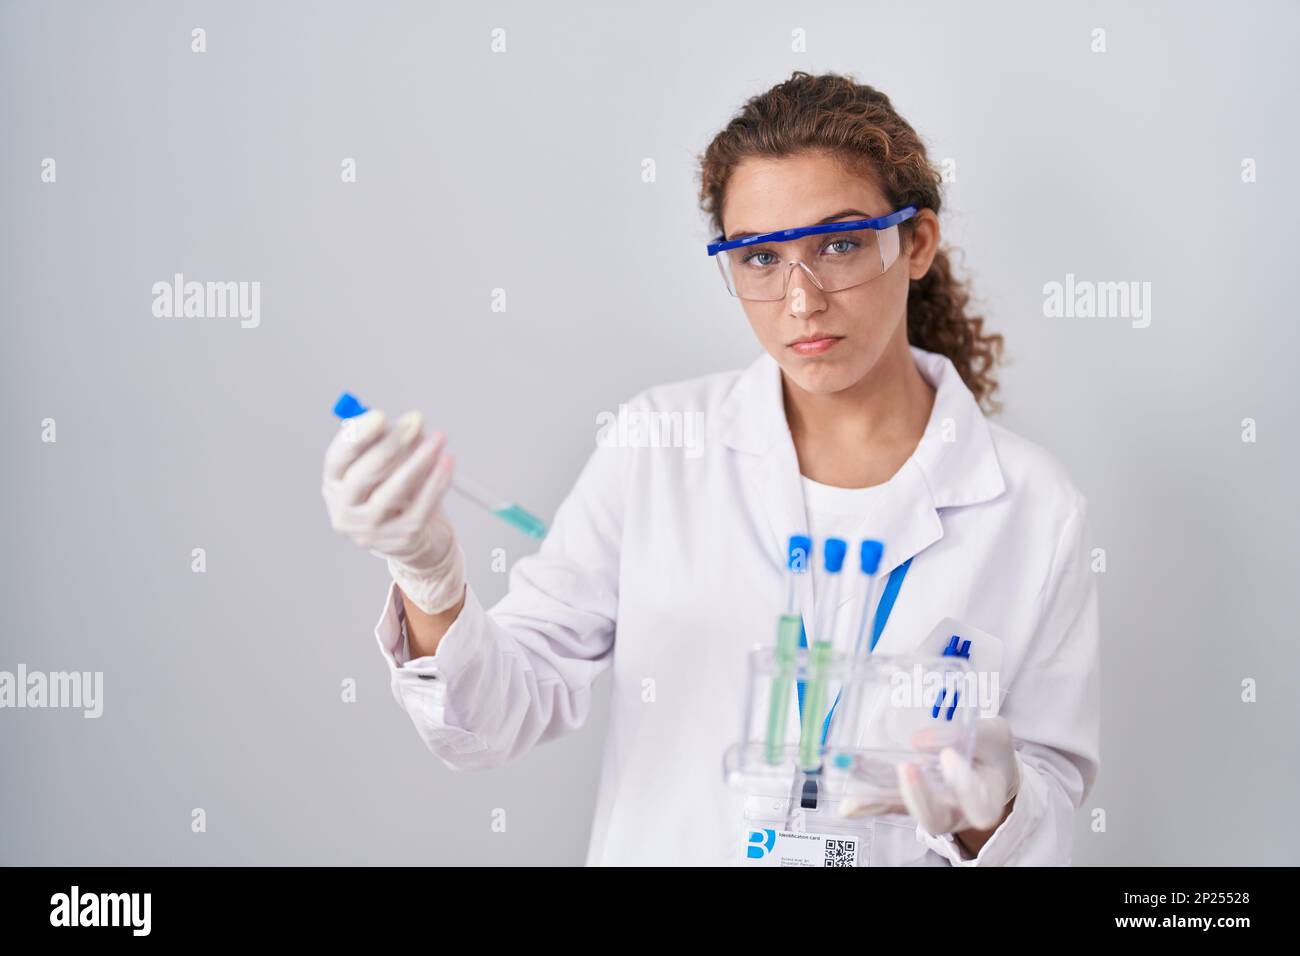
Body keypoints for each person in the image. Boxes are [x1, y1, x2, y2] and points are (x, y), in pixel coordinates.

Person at [320, 71, 1099, 866]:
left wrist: (994, 808)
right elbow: (490, 724)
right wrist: (430, 582)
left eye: (839, 244)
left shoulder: (1033, 508)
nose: (802, 300)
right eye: (760, 258)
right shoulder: (659, 444)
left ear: (917, 242)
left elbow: (1048, 803)